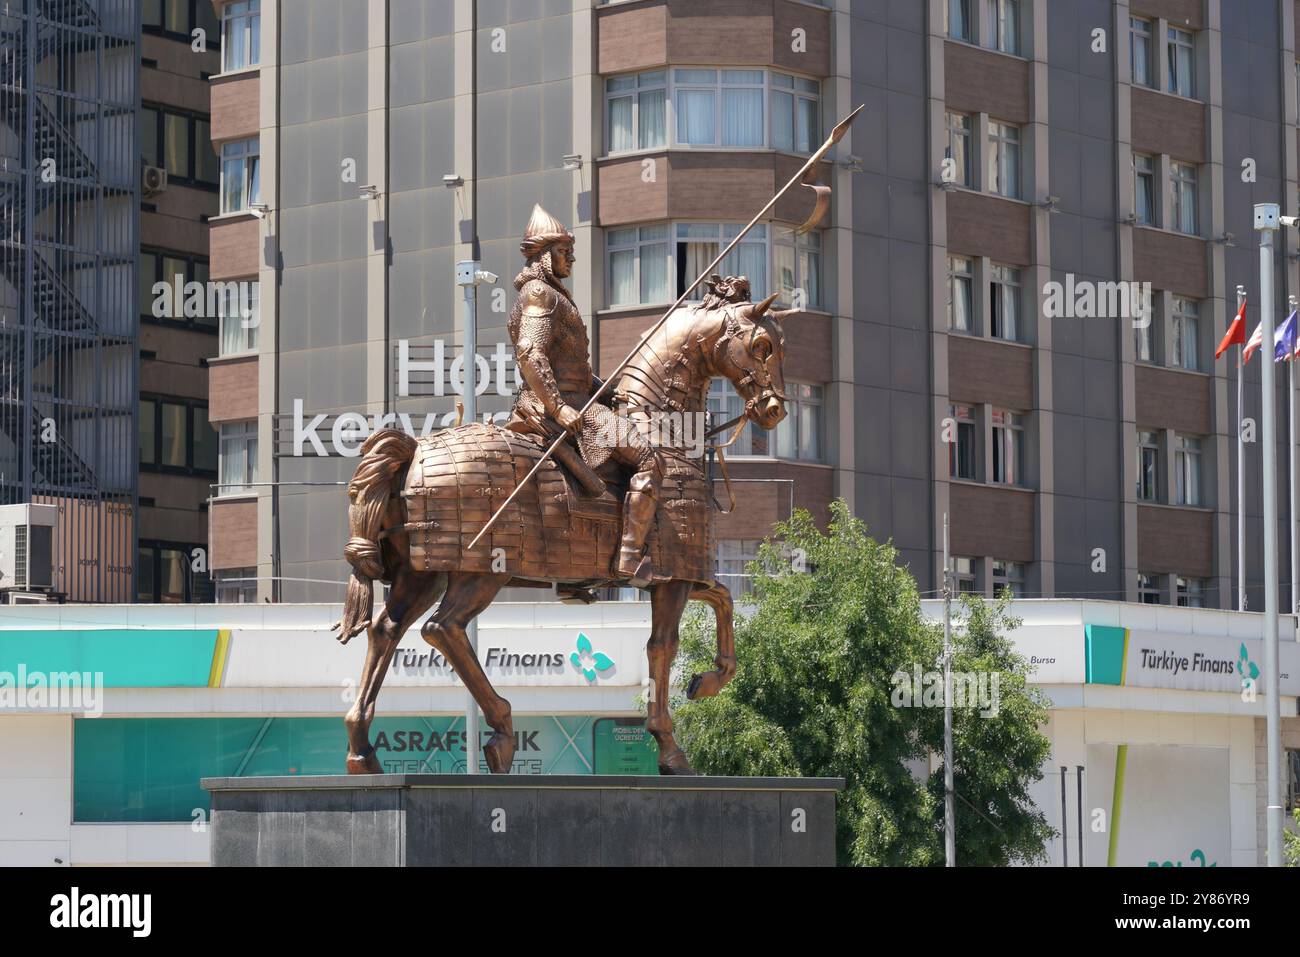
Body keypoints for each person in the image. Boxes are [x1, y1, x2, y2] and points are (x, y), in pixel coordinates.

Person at [505, 204, 664, 586]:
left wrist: (604, 389)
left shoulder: (553, 295)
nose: (571, 257)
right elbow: (530, 352)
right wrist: (558, 408)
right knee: (648, 459)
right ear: (543, 254)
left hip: (579, 398)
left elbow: (568, 365)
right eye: (563, 250)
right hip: (562, 407)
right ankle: (628, 557)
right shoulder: (540, 293)